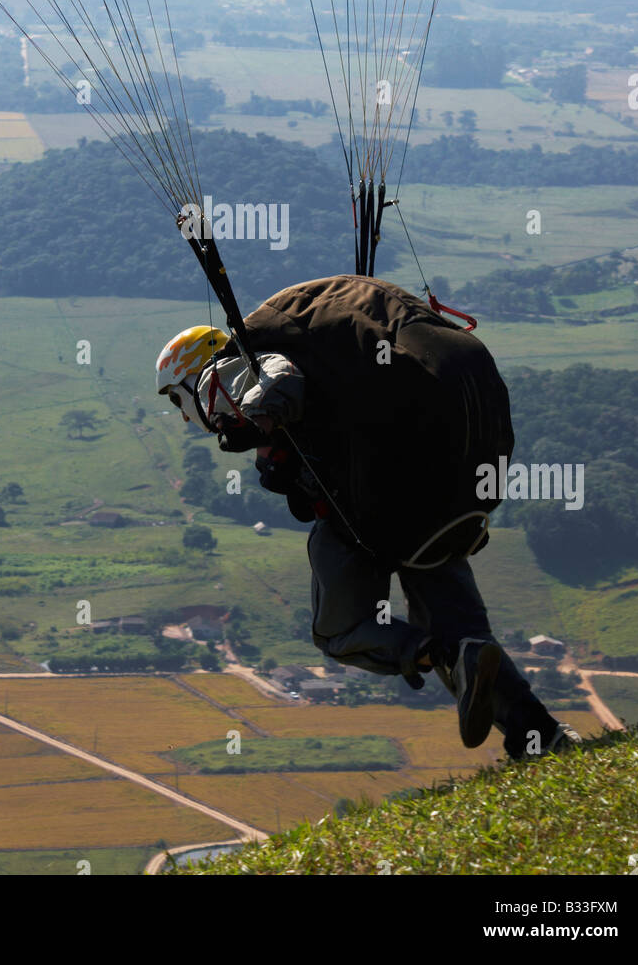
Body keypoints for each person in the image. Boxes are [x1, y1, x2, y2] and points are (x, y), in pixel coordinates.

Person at [156, 274, 581, 758]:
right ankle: (539, 736)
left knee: (340, 632)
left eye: (176, 397)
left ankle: (435, 654)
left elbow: (276, 377)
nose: (183, 411)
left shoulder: (232, 369)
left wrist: (264, 411)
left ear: (188, 377)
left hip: (380, 506)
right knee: (459, 624)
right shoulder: (316, 346)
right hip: (436, 479)